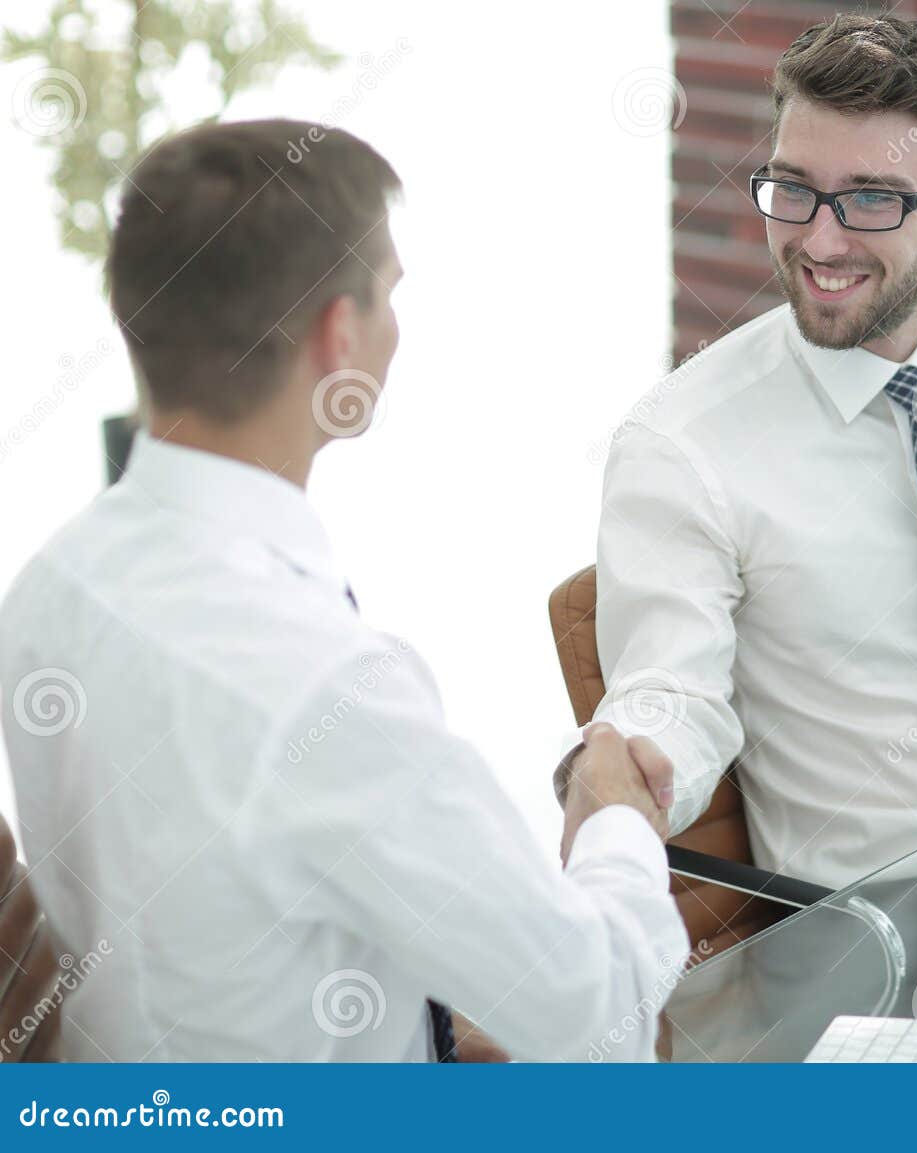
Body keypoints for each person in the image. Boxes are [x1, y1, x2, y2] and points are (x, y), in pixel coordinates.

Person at [0, 120, 687, 1061]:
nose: (398, 324)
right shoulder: (323, 685)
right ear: (339, 333)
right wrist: (614, 814)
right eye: (389, 291)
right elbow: (595, 1013)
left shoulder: (51, 585)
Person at [589, 14, 917, 890]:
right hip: (874, 939)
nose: (820, 242)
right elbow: (672, 698)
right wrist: (626, 760)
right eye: (793, 190)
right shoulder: (680, 444)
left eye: (872, 199)